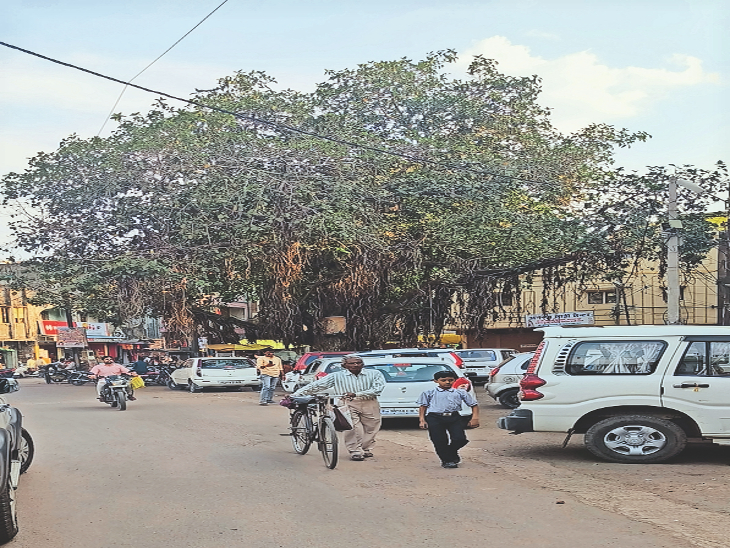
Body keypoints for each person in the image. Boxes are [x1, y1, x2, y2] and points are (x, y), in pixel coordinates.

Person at [292, 356, 386, 461]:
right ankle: (355, 451)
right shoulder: (336, 376)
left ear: (362, 364)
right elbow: (316, 385)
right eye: (352, 363)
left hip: (369, 402)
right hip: (347, 402)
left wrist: (356, 394)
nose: (355, 365)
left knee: (372, 427)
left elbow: (377, 389)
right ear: (344, 365)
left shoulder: (374, 374)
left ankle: (365, 448)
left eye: (358, 363)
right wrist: (297, 394)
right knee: (353, 427)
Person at [417, 371, 480, 469]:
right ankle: (447, 460)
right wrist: (422, 420)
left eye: (450, 380)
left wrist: (475, 418)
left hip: (454, 417)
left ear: (454, 381)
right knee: (439, 440)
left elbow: (473, 405)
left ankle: (450, 452)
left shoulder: (460, 392)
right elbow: (423, 407)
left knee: (460, 439)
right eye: (443, 380)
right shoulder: (429, 393)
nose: (447, 382)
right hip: (435, 417)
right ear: (436, 381)